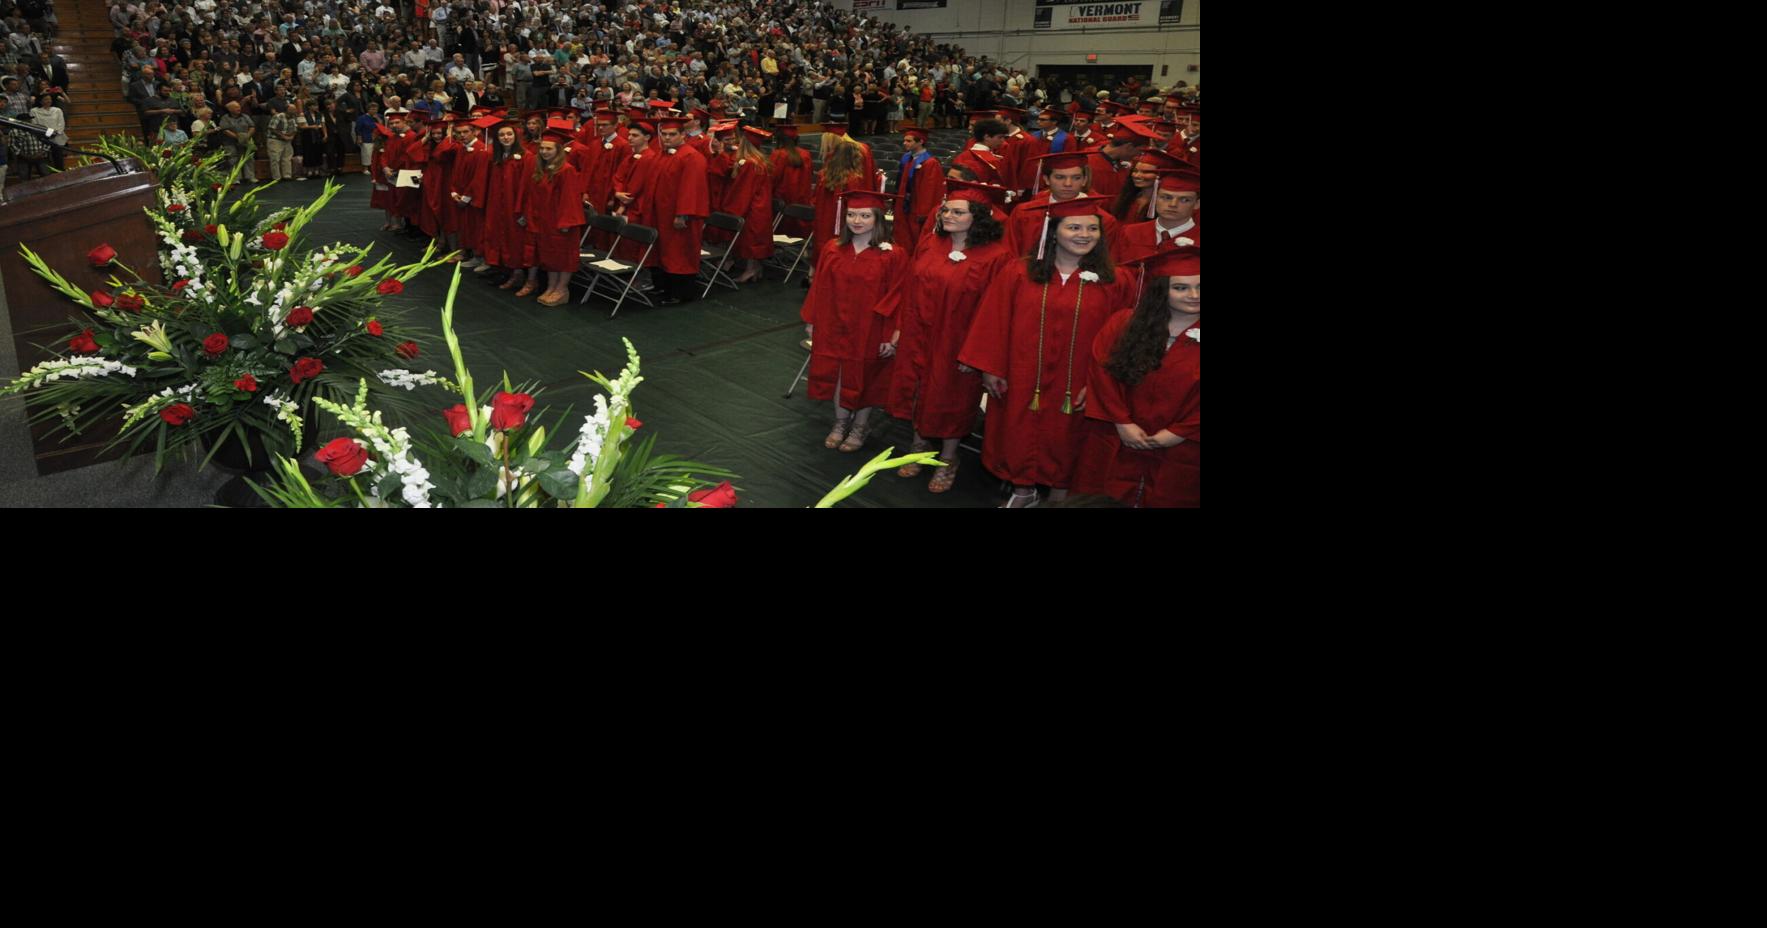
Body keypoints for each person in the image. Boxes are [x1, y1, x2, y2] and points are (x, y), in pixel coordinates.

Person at [958, 197, 1131, 508]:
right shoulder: (1019, 272)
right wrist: (991, 368)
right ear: (1054, 232)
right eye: (1074, 227)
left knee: (1071, 438)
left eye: (1092, 228)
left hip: (1080, 380)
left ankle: (1060, 500)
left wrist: (1100, 385)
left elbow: (1122, 341)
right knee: (1019, 431)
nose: (1084, 234)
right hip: (1022, 374)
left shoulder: (1116, 281)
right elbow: (994, 319)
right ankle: (1023, 490)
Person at [884, 180, 1014, 493]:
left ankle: (948, 458)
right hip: (919, 335)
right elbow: (910, 289)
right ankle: (918, 448)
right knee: (917, 390)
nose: (947, 215)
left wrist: (976, 354)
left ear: (978, 217)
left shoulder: (997, 257)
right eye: (946, 209)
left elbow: (995, 312)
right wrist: (901, 327)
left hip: (959, 343)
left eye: (957, 211)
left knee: (952, 400)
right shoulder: (930, 244)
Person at [1073, 248, 1200, 508]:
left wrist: (1180, 432)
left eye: (1200, 286)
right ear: (1162, 290)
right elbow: (1103, 373)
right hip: (1119, 436)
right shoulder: (1124, 323)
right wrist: (1122, 422)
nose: (1194, 296)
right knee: (1107, 495)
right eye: (1181, 288)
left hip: (1183, 445)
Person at [800, 190, 908, 453]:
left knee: (865, 376)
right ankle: (840, 423)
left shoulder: (893, 255)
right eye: (851, 214)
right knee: (837, 374)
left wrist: (893, 333)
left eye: (865, 215)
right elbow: (819, 287)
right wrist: (812, 319)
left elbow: (900, 296)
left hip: (871, 327)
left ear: (878, 218)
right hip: (833, 323)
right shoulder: (833, 248)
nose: (857, 220)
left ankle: (860, 426)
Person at [642, 115, 711, 305]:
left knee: (679, 253)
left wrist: (683, 214)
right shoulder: (664, 154)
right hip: (661, 214)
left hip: (680, 217)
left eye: (672, 134)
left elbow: (691, 188)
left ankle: (681, 294)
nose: (666, 138)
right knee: (664, 251)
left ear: (683, 135)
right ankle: (664, 288)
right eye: (663, 134)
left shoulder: (691, 156)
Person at [1004, 151, 1120, 257]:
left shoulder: (1104, 220)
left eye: (1076, 178)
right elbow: (1010, 252)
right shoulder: (1024, 213)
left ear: (1084, 180)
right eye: (1060, 177)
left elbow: (1106, 262)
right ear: (1046, 179)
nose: (1068, 184)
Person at [517, 127, 583, 306]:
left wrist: (566, 222)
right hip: (544, 221)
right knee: (549, 256)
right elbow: (533, 196)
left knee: (563, 256)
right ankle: (551, 286)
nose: (544, 152)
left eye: (549, 149)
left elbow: (570, 198)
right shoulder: (542, 169)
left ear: (559, 150)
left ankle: (562, 289)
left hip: (561, 222)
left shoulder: (566, 170)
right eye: (542, 148)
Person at [808, 136, 873, 285]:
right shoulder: (853, 179)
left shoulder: (825, 175)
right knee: (841, 248)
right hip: (842, 220)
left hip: (823, 218)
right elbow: (855, 204)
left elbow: (815, 199)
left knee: (822, 245)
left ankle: (815, 276)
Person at [720, 125, 775, 284]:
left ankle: (751, 270)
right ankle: (755, 269)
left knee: (751, 239)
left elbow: (743, 190)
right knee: (754, 239)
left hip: (752, 207)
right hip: (761, 206)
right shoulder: (759, 160)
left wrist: (731, 208)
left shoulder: (750, 164)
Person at [484, 120, 535, 288]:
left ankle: (518, 274)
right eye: (501, 135)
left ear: (516, 136)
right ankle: (506, 271)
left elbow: (527, 187)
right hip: (499, 206)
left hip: (515, 207)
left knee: (515, 240)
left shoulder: (526, 157)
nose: (505, 137)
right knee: (500, 236)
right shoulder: (498, 157)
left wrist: (521, 211)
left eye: (509, 134)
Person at [1111, 169, 1201, 265]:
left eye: (1184, 200)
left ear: (1197, 204)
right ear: (1155, 198)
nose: (1173, 204)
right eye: (1166, 197)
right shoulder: (1129, 232)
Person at [893, 126, 944, 253]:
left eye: (909, 141)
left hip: (916, 207)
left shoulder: (930, 163)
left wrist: (923, 213)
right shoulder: (906, 158)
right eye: (904, 140)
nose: (904, 143)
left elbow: (930, 190)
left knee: (914, 238)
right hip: (903, 204)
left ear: (920, 141)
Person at [769, 124, 814, 238]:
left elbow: (772, 179)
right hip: (801, 197)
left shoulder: (779, 154)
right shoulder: (806, 154)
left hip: (782, 199)